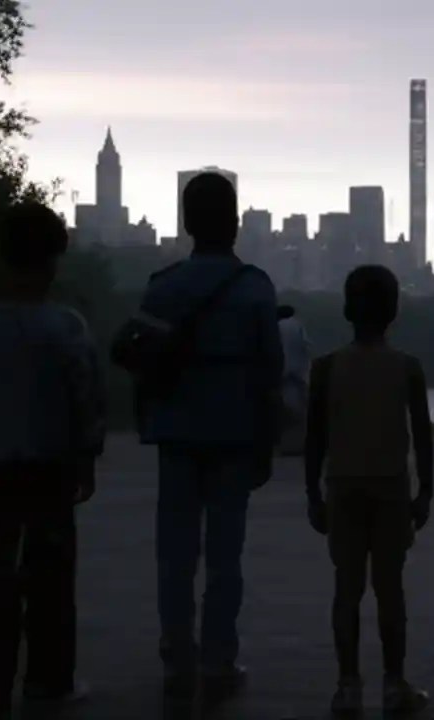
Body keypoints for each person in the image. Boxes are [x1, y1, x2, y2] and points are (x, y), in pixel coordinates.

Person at [0, 202, 105, 720]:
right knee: (51, 580)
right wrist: (86, 459)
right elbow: (87, 400)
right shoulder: (66, 327)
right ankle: (48, 681)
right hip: (50, 470)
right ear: (53, 261)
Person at [134, 172, 283, 699]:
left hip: (175, 431)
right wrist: (268, 441)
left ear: (186, 222)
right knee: (226, 556)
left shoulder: (162, 285)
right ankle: (220, 660)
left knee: (174, 555)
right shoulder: (256, 287)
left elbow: (142, 365)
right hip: (235, 432)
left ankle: (177, 659)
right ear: (236, 223)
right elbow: (271, 372)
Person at [304, 265, 433, 715]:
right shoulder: (407, 368)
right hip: (391, 489)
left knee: (347, 589)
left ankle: (348, 685)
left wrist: (312, 495)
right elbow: (422, 436)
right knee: (390, 589)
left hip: (342, 487)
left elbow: (314, 440)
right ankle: (395, 683)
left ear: (345, 308)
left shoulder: (326, 368)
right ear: (394, 311)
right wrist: (426, 493)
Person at [278, 304, 313, 455]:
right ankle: (296, 446)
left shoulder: (276, 326)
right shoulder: (297, 325)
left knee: (285, 410)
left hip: (281, 373)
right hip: (298, 372)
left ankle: (285, 446)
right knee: (299, 410)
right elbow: (306, 346)